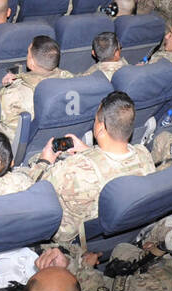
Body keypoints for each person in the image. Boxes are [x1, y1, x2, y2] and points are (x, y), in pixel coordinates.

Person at [29, 92, 156, 243]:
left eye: (95, 120)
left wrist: (44, 161)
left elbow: (36, 189)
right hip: (117, 236)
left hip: (69, 240)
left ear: (101, 128)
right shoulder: (144, 155)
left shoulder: (76, 168)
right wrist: (88, 151)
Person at [0, 35, 75, 143]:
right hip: (62, 140)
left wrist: (5, 87)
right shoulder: (72, 81)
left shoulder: (13, 93)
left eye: (28, 53)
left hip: (23, 148)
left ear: (32, 63)